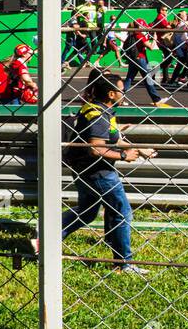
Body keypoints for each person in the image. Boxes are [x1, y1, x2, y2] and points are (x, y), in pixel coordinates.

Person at [57, 70, 156, 275]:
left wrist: (139, 149)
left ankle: (47, 238)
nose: (124, 93)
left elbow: (114, 138)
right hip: (98, 172)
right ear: (111, 94)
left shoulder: (102, 110)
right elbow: (96, 148)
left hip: (85, 170)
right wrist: (123, 156)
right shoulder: (98, 114)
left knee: (87, 211)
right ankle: (123, 264)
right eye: (121, 90)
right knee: (122, 211)